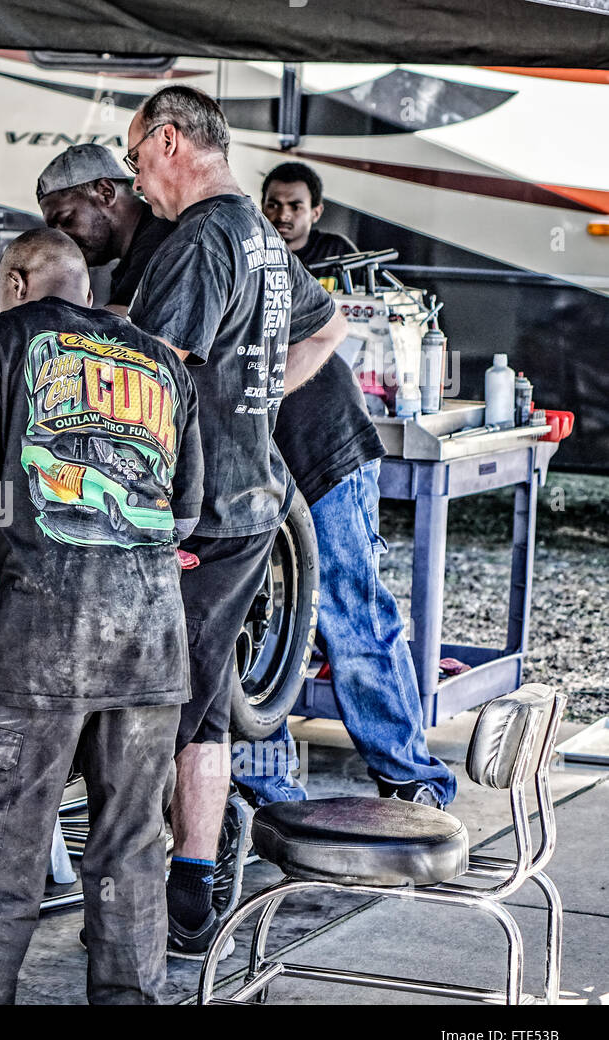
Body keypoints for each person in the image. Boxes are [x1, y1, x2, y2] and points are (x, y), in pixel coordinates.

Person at [0, 229, 204, 1004]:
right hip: (152, 648)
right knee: (133, 848)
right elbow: (181, 516)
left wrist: (15, 499)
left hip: (44, 645)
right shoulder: (164, 362)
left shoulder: (5, 337)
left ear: (14, 280)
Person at [123, 85, 347, 958]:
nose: (139, 179)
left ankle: (148, 888)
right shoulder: (260, 234)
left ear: (170, 140)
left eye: (139, 157)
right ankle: (191, 894)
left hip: (195, 519)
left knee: (152, 708)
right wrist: (250, 402)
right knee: (207, 711)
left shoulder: (200, 240)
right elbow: (326, 332)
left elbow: (146, 385)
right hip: (250, 504)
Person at [234, 166, 457, 810]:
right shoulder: (179, 248)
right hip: (261, 472)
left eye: (292, 206)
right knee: (259, 625)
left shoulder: (280, 251)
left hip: (325, 451)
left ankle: (412, 779)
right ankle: (268, 788)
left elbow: (329, 326)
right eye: (271, 204)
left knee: (348, 610)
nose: (280, 215)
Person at [36, 144, 175, 314]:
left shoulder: (161, 242)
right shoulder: (138, 252)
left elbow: (117, 328)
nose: (61, 238)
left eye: (66, 219)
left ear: (105, 192)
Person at [261, 162, 356, 267]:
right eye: (273, 206)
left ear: (316, 213)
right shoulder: (248, 252)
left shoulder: (337, 251)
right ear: (262, 207)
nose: (282, 216)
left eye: (295, 207)